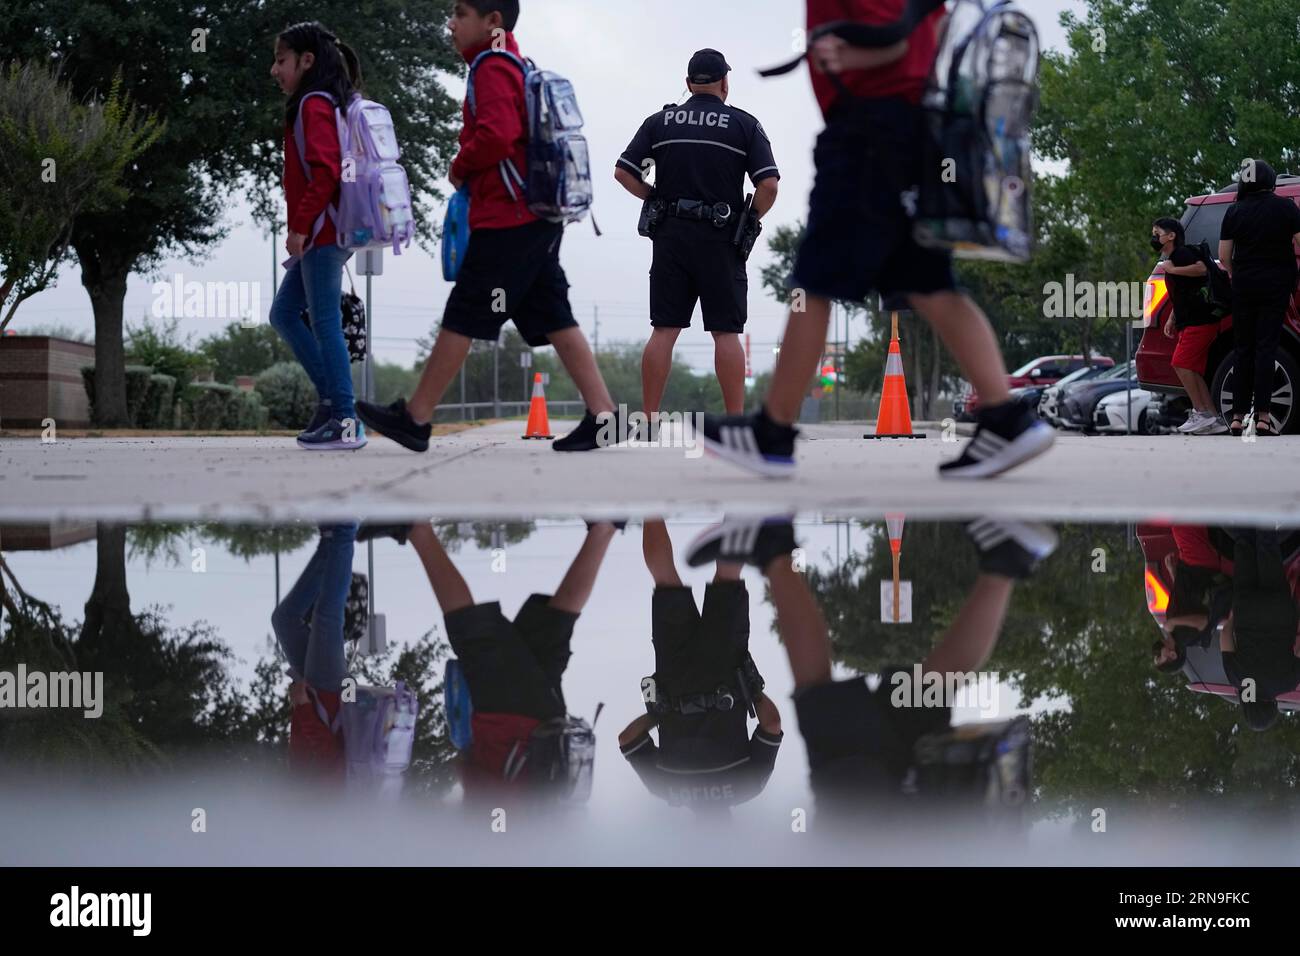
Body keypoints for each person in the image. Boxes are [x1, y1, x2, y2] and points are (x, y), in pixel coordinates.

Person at [696, 1, 1054, 480]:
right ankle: (1007, 418)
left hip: (870, 134)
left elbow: (897, 38)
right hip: (902, 130)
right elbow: (929, 28)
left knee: (814, 282)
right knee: (930, 284)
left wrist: (845, 59)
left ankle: (772, 434)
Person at [356, 1, 626, 454]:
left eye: (461, 13)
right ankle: (604, 416)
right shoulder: (512, 63)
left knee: (466, 309)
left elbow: (498, 135)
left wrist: (459, 166)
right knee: (552, 312)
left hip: (510, 216)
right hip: (532, 216)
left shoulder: (492, 64)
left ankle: (416, 418)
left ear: (492, 21)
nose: (450, 23)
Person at [685, 515, 1055, 820]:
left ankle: (1006, 560)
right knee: (819, 697)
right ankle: (773, 548)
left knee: (933, 685)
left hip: (925, 820)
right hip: (872, 818)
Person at [615, 50, 780, 424]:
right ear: (725, 82)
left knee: (664, 330)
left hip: (670, 237)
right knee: (726, 332)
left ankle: (649, 420)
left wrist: (653, 197)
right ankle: (736, 420)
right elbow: (767, 185)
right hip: (722, 239)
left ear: (688, 83)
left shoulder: (661, 122)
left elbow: (623, 172)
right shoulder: (744, 125)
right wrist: (749, 220)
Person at [405, 518, 618, 801]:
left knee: (553, 625)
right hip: (506, 719)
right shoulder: (494, 830)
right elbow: (467, 767)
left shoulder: (545, 826)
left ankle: (603, 531)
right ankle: (417, 530)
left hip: (547, 721)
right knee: (470, 633)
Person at [617, 520, 783, 811]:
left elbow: (772, 724)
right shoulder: (669, 791)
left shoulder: (748, 787)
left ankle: (737, 504)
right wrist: (661, 713)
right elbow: (628, 738)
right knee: (666, 582)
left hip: (726, 676)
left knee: (727, 578)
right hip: (675, 683)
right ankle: (651, 502)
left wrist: (752, 688)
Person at [269, 22, 366, 451]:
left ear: (307, 60)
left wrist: (301, 227)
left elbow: (326, 171)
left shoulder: (313, 103)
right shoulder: (323, 102)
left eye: (281, 60)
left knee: (325, 322)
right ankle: (333, 404)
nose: (275, 70)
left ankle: (345, 418)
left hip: (323, 231)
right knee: (284, 313)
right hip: (326, 230)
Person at [1218, 159, 1300, 437]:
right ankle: (1263, 418)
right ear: (1270, 181)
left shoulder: (1234, 211)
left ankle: (1238, 417)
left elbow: (1225, 256)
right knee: (1266, 348)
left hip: (1244, 285)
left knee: (1243, 349)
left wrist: (1236, 274)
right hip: (1276, 285)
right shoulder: (1286, 207)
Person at [272, 523, 359, 776]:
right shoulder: (320, 810)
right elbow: (329, 758)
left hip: (317, 696)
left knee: (285, 619)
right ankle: (345, 532)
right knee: (327, 616)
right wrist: (304, 708)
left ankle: (329, 541)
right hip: (329, 699)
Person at [1219, 528, 1300, 732]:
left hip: (1278, 608)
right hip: (1247, 608)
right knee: (1244, 548)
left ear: (1272, 708)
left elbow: (1298, 645)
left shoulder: (1289, 682)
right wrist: (1235, 613)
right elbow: (1225, 636)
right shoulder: (1240, 680)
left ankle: (1265, 512)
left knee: (1268, 550)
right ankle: (1247, 509)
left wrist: (1289, 606)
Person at [1152, 218, 1227, 435]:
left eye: (1158, 233)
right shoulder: (1174, 258)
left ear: (1171, 236)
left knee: (1180, 363)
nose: (1155, 238)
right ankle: (1213, 418)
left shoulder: (1180, 254)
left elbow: (1201, 269)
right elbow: (1184, 293)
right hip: (1191, 321)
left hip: (1199, 321)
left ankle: (1201, 413)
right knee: (1192, 369)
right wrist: (1171, 319)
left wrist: (1172, 269)